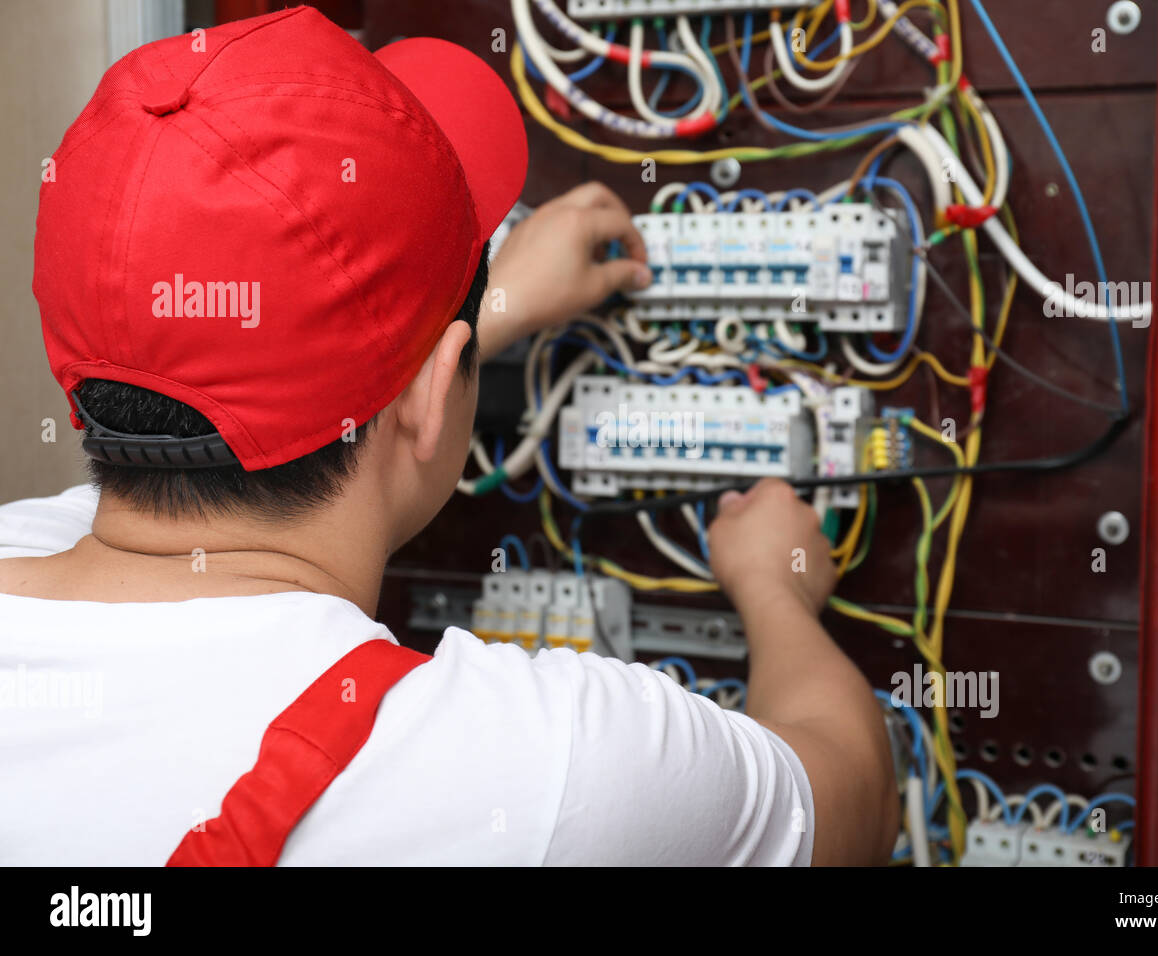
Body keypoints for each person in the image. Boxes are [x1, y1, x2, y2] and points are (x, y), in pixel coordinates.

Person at [0, 7, 896, 866]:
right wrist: (775, 589)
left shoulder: (24, 547)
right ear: (435, 395)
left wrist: (465, 331)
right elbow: (855, 800)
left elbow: (221, 407)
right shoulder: (546, 771)